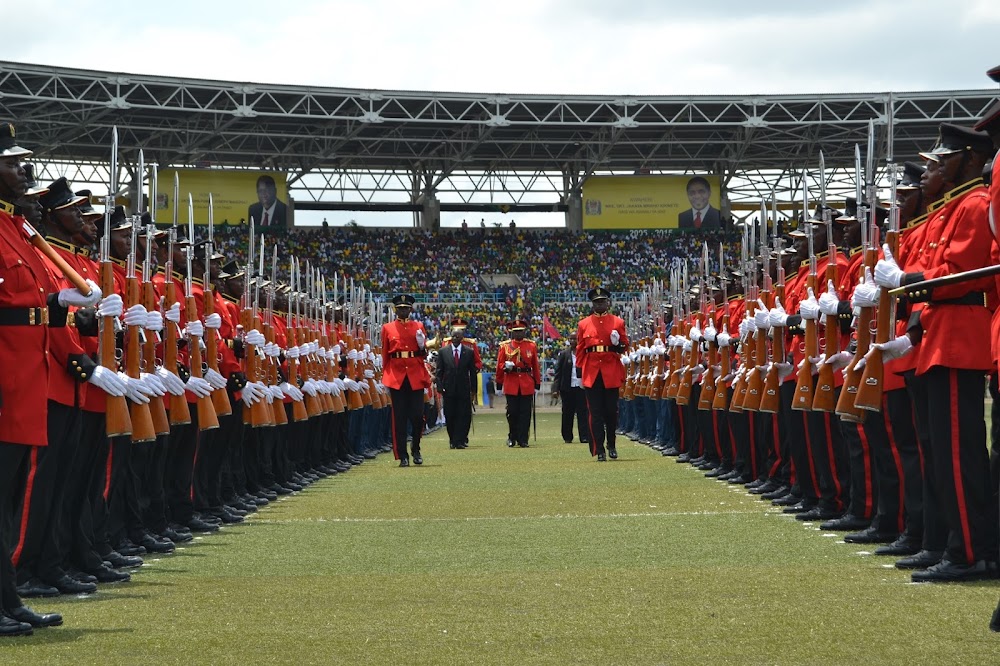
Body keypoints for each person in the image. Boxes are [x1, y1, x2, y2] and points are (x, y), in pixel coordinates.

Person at [576, 288, 628, 461]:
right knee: (595, 413)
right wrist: (579, 373)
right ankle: (599, 449)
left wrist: (618, 343)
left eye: (602, 301)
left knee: (611, 412)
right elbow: (581, 349)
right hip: (592, 372)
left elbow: (624, 347)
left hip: (610, 371)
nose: (600, 304)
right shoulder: (583, 324)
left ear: (608, 303)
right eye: (596, 301)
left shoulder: (617, 322)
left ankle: (611, 444)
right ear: (592, 304)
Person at [380, 294, 431, 467]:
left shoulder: (419, 326)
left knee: (417, 416)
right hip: (396, 376)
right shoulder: (387, 328)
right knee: (399, 418)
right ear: (395, 310)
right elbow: (385, 354)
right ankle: (402, 455)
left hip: (415, 374)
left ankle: (415, 448)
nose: (403, 311)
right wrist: (385, 379)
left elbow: (423, 354)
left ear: (411, 309)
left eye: (406, 308)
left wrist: (422, 345)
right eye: (400, 308)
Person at [495, 319, 540, 448]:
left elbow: (535, 366)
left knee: (525, 413)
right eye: (516, 332)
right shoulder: (505, 346)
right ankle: (512, 436)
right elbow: (499, 365)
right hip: (511, 381)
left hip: (526, 383)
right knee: (512, 412)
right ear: (512, 333)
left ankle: (523, 439)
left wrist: (537, 384)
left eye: (521, 331)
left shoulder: (531, 345)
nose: (519, 334)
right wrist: (499, 382)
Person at [436, 319, 480, 449]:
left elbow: (472, 372)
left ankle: (460, 440)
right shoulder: (443, 352)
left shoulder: (469, 351)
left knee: (464, 415)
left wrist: (473, 390)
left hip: (463, 388)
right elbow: (439, 371)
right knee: (450, 415)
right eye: (453, 336)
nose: (455, 338)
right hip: (448, 389)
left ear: (462, 338)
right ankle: (452, 440)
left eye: (458, 336)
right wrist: (439, 387)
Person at [551, 332, 589, 444]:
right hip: (567, 388)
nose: (573, 341)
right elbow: (558, 373)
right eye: (571, 339)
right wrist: (555, 389)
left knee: (583, 412)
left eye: (575, 339)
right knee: (567, 412)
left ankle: (584, 436)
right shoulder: (564, 354)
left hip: (581, 387)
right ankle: (567, 436)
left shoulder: (584, 353)